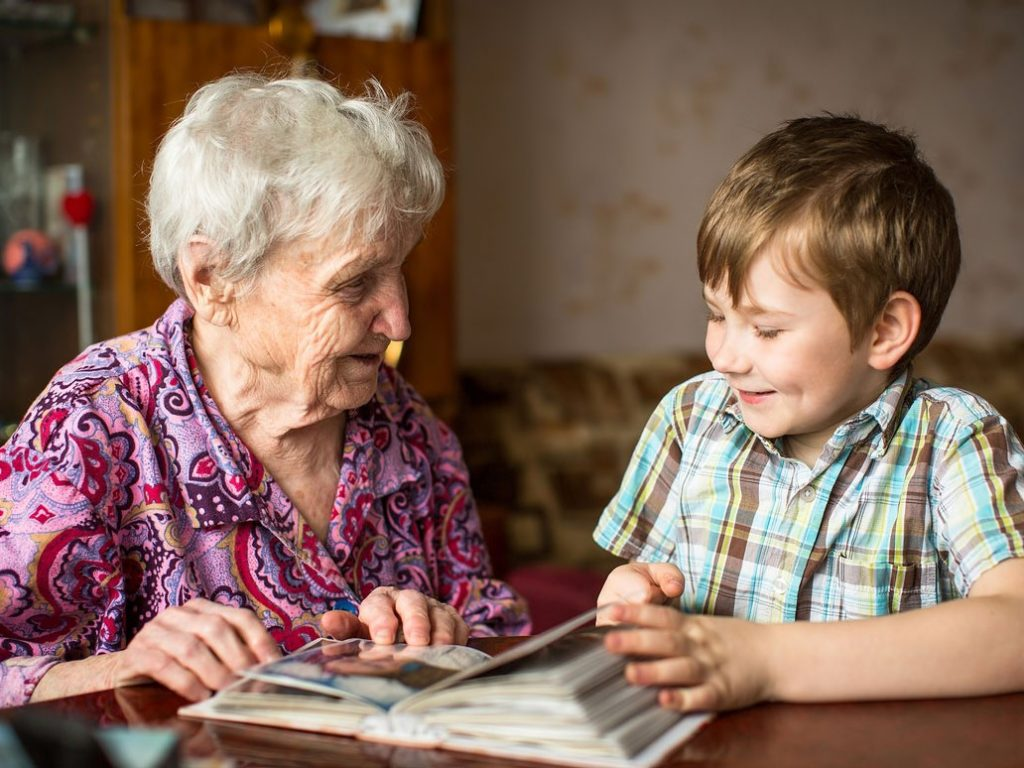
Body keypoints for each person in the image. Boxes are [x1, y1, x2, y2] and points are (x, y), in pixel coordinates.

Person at [0, 72, 529, 708]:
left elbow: (498, 635)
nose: (399, 322)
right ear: (212, 277)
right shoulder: (89, 428)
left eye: (400, 271)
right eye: (354, 283)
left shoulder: (408, 427)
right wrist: (123, 670)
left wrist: (446, 633)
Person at [593, 115, 1024, 712]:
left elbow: (1016, 628)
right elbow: (650, 583)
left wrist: (767, 660)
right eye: (717, 315)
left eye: (766, 329)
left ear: (884, 329)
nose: (725, 355)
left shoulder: (954, 441)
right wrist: (634, 600)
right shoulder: (691, 418)